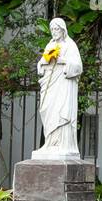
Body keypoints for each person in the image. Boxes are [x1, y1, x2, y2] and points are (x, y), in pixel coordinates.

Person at [33, 17, 84, 159]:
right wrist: (42, 63)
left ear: (63, 30)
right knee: (46, 109)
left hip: (63, 84)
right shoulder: (50, 45)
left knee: (61, 111)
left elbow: (78, 67)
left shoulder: (70, 45)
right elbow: (41, 64)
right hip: (49, 83)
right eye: (52, 29)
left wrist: (63, 61)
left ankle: (63, 144)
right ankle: (49, 143)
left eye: (56, 29)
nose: (54, 32)